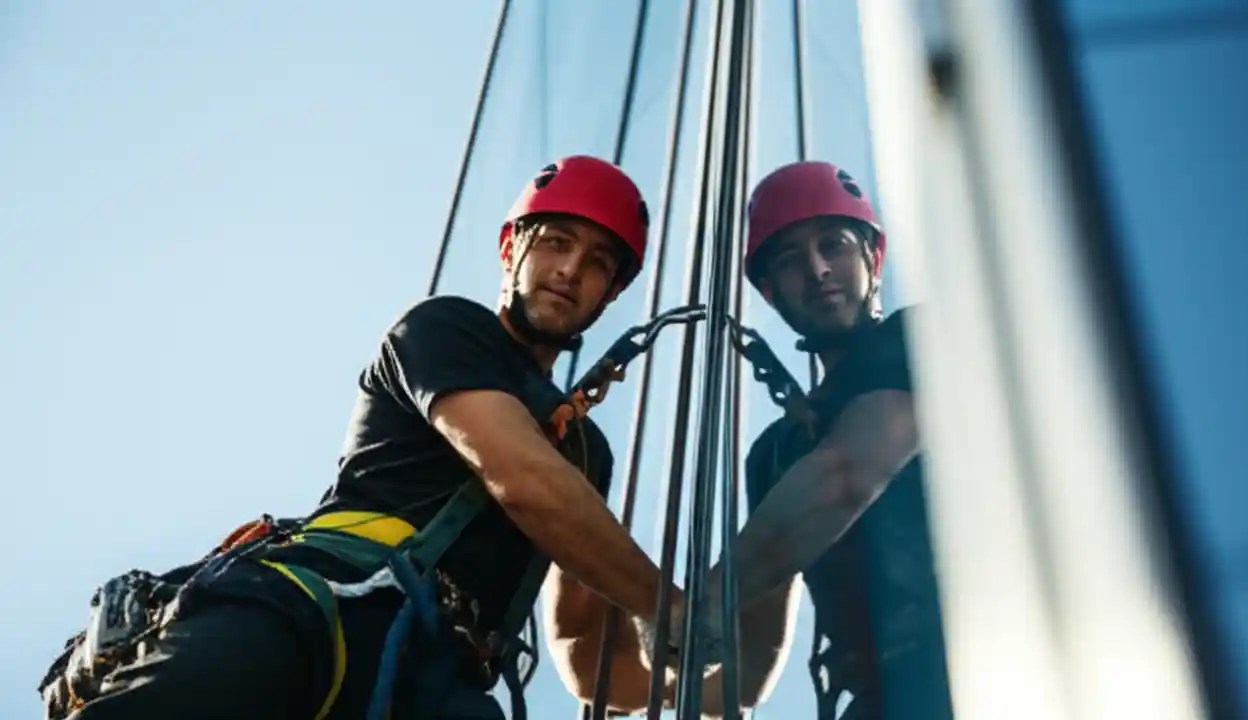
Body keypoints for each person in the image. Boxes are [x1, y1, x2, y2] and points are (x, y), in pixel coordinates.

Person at [40, 155, 690, 720]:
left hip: (443, 682)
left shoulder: (587, 453)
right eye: (555, 241)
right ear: (510, 248)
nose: (570, 269)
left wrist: (712, 671)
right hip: (318, 611)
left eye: (598, 262)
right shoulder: (446, 331)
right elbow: (519, 478)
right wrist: (668, 605)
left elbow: (582, 653)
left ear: (612, 293)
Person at [705, 161, 954, 719]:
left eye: (833, 245)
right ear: (770, 292)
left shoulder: (920, 339)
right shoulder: (774, 454)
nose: (817, 269)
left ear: (873, 258)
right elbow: (750, 661)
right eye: (791, 259)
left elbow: (847, 475)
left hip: (976, 673)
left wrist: (699, 606)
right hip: (873, 701)